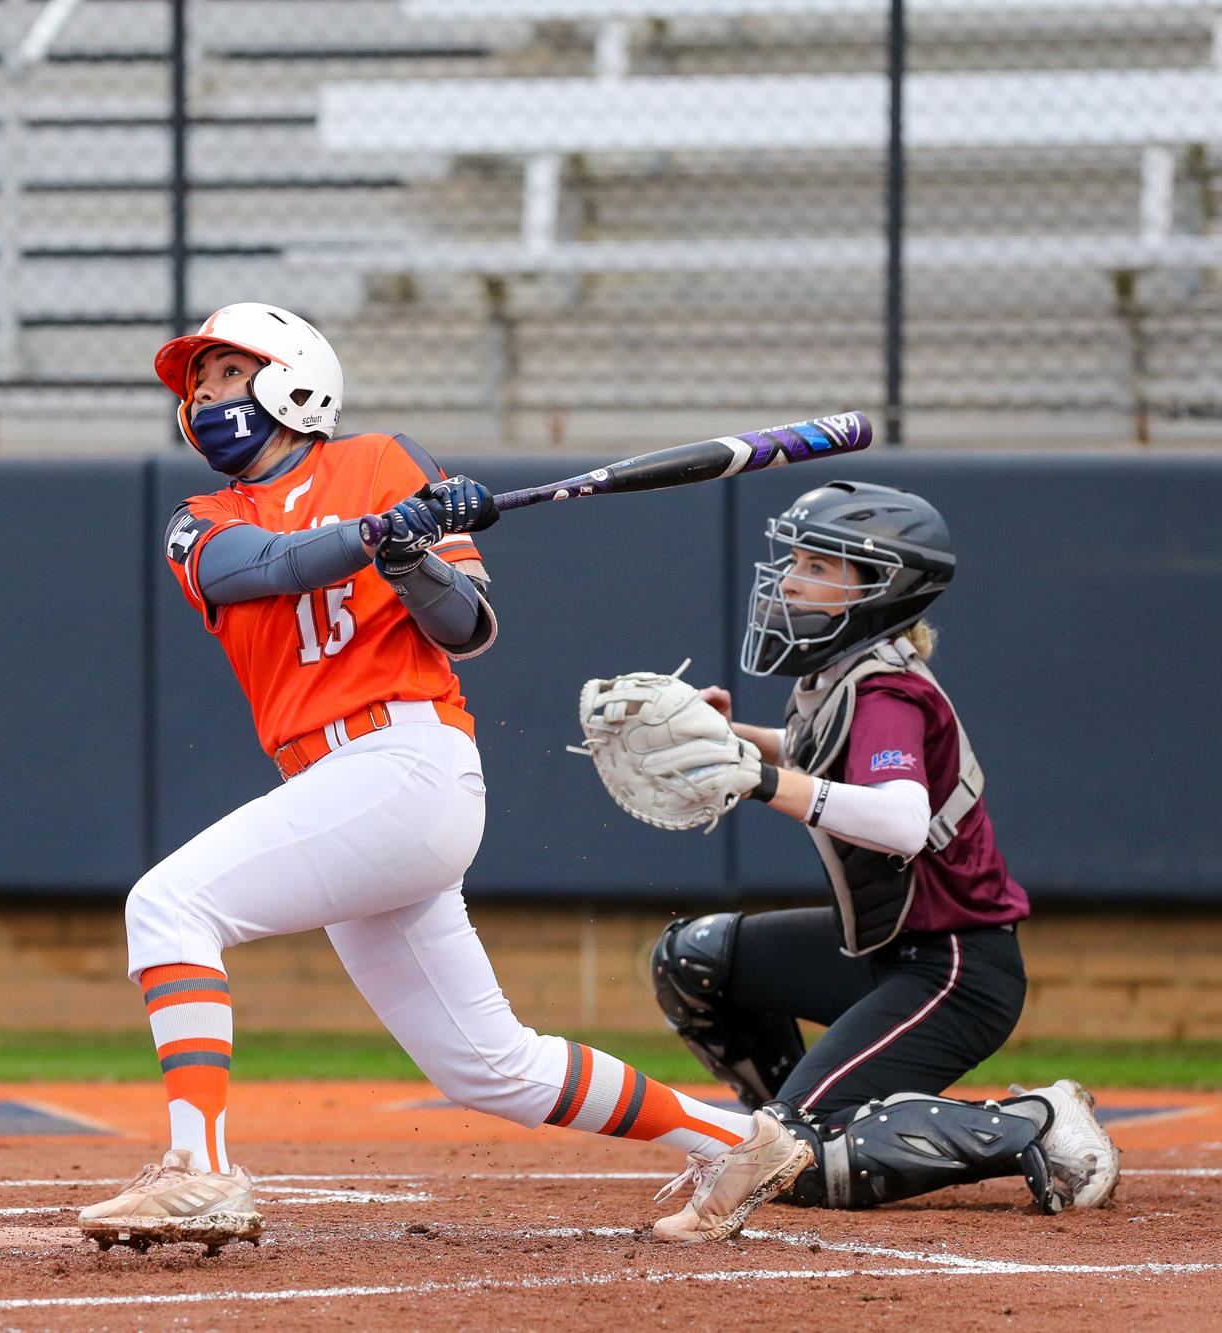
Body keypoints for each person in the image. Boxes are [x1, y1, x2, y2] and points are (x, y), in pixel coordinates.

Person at [76, 302, 812, 1254]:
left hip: (402, 764)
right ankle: (738, 1141)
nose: (204, 395)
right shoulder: (202, 519)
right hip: (340, 790)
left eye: (224, 373)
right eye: (197, 384)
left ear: (293, 378)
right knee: (486, 1067)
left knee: (168, 906)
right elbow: (259, 570)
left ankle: (200, 1172)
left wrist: (411, 556)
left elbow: (465, 626)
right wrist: (374, 536)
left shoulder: (381, 458)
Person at [649, 479, 1120, 1212]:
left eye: (817, 565)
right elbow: (817, 756)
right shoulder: (842, 678)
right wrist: (726, 739)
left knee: (792, 1166)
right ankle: (787, 1123)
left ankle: (1036, 1120)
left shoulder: (888, 692)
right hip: (883, 955)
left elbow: (900, 819)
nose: (791, 579)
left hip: (955, 971)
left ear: (879, 589)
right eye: (796, 559)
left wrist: (761, 779)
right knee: (695, 959)